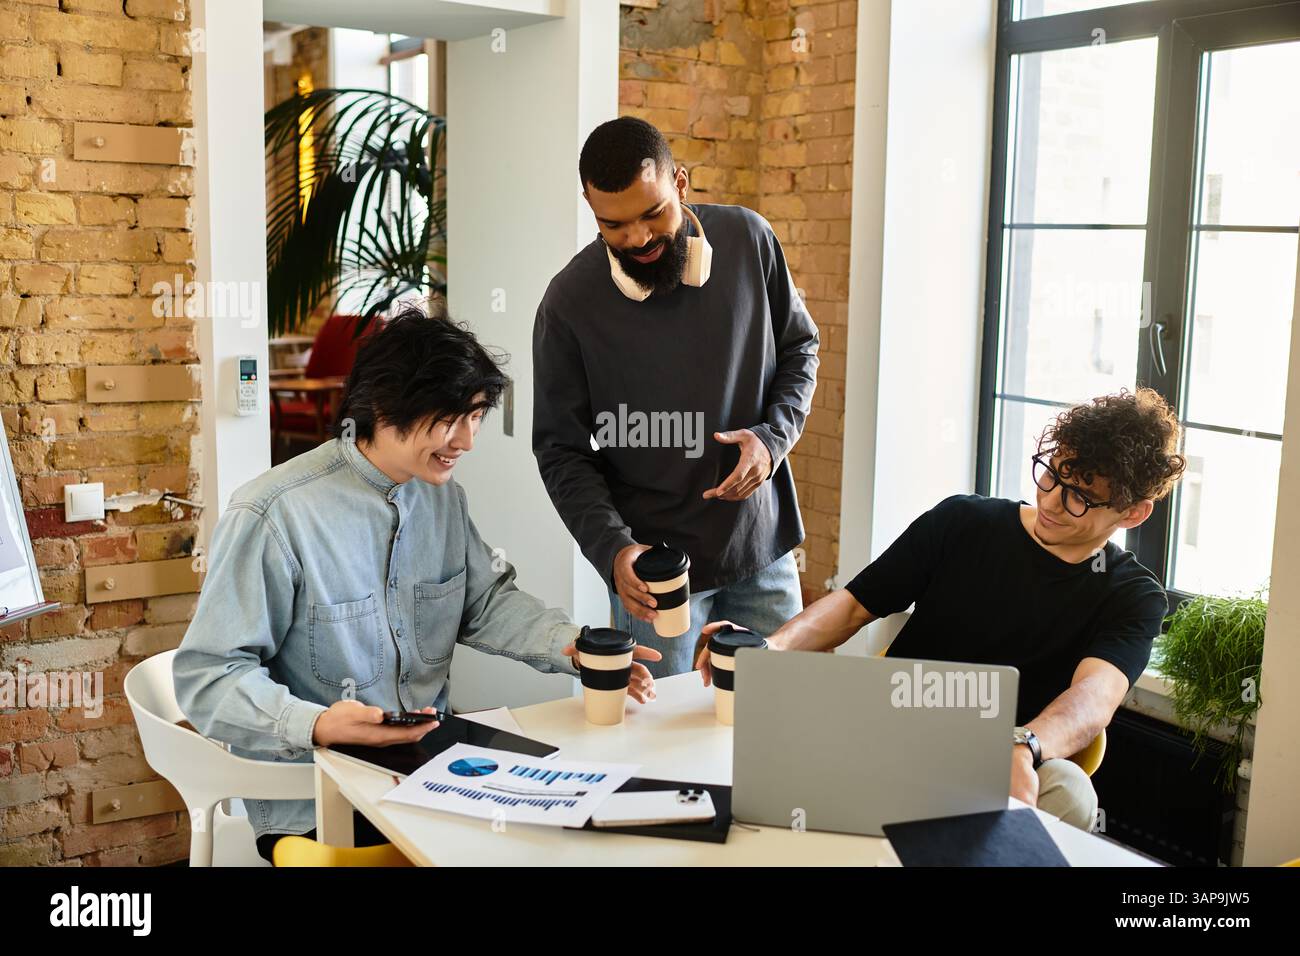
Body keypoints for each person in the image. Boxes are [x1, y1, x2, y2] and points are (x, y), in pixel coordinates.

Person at [174, 305, 659, 862]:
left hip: (433, 768)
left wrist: (568, 645)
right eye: (450, 418)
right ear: (383, 405)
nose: (467, 441)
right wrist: (318, 723)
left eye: (475, 417)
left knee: (583, 830)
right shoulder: (274, 514)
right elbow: (209, 676)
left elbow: (485, 601)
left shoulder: (441, 497)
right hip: (317, 796)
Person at [697, 388, 1186, 830]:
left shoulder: (1132, 595)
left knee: (1072, 791)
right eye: (1052, 475)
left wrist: (1024, 745)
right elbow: (852, 607)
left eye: (1080, 497)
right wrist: (770, 647)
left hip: (1000, 759)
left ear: (1132, 512)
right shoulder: (964, 522)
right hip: (893, 728)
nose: (1053, 502)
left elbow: (1093, 700)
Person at [532, 116, 820, 677]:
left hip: (763, 550)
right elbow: (561, 449)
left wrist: (772, 440)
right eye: (612, 225)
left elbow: (800, 348)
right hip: (654, 575)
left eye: (652, 213)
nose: (637, 239)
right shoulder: (569, 302)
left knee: (774, 727)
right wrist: (615, 551)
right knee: (661, 748)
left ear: (681, 184)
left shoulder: (749, 239)